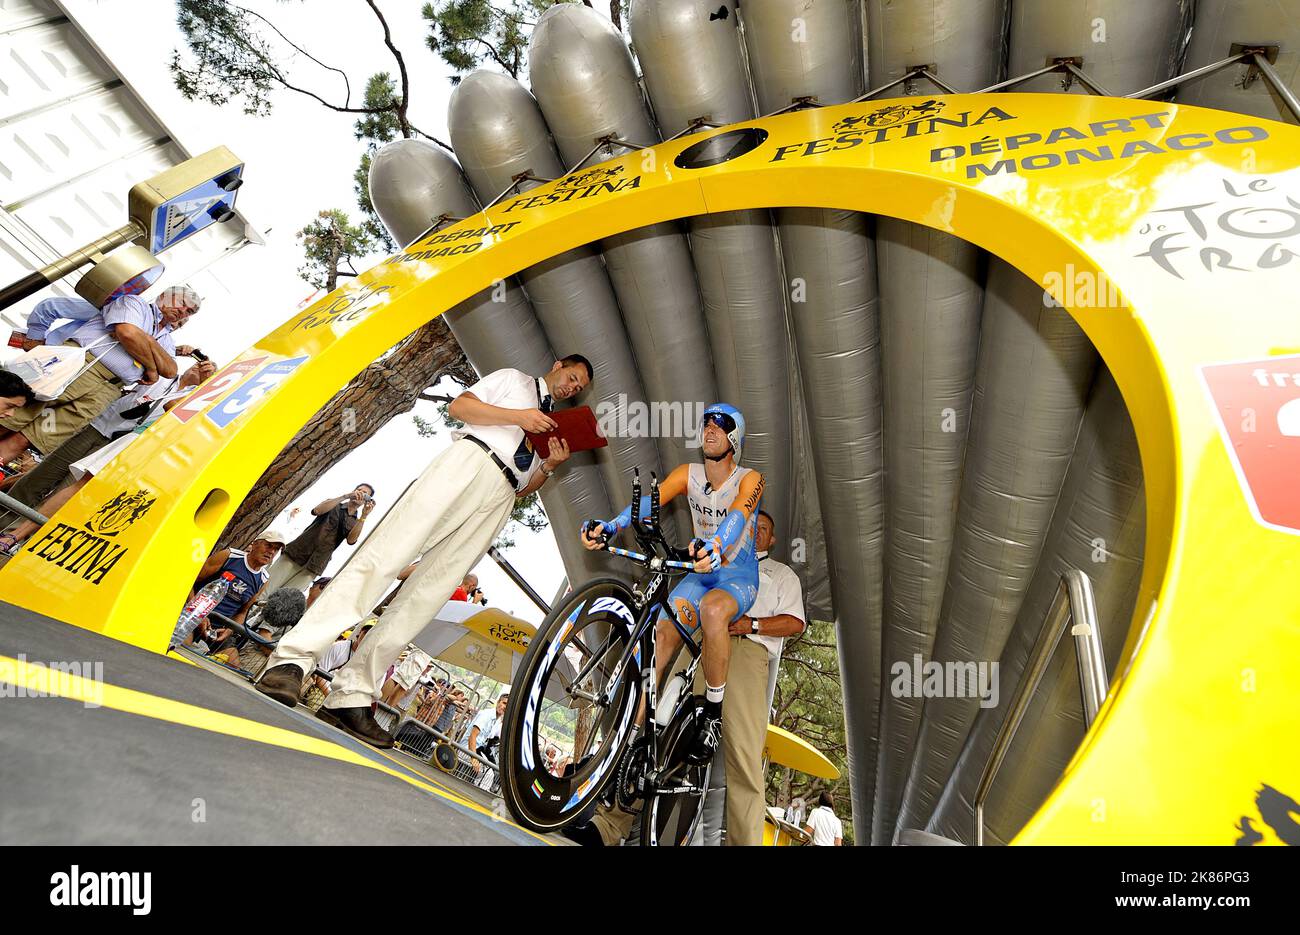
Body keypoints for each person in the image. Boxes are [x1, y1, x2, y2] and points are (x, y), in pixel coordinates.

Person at [255, 355, 593, 748]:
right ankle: (294, 658)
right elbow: (460, 407)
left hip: (501, 494)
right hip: (470, 462)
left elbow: (524, 486)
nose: (571, 387)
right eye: (572, 376)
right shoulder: (514, 380)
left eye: (578, 387)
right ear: (556, 365)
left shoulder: (552, 424)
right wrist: (520, 416)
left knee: (428, 593)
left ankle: (354, 692)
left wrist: (549, 464)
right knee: (387, 555)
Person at [582, 402, 764, 766]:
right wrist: (612, 525)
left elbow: (740, 512)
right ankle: (628, 740)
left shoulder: (750, 478)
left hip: (736, 576)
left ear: (735, 438)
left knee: (713, 611)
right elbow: (650, 502)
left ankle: (712, 713)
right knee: (661, 637)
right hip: (701, 572)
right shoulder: (688, 473)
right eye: (706, 422)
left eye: (721, 424)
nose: (710, 428)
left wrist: (715, 545)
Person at [697, 508, 806, 846]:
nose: (757, 531)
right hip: (703, 645)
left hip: (747, 652)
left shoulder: (782, 573)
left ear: (772, 540)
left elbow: (795, 622)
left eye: (764, 529)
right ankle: (611, 826)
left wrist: (752, 625)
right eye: (753, 526)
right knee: (664, 731)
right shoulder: (720, 562)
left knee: (743, 759)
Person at [0, 359, 215, 529]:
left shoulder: (194, 397)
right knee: (40, 476)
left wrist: (207, 383)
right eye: (197, 364)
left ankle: (12, 537)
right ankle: (2, 516)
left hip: (120, 444)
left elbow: (175, 411)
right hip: (98, 426)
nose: (198, 368)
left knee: (64, 492)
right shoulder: (159, 375)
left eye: (205, 368)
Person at [0, 285, 200, 461]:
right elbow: (128, 333)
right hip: (79, 368)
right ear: (165, 295)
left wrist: (145, 339)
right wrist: (151, 366)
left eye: (189, 311)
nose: (183, 311)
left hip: (109, 390)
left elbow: (170, 370)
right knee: (12, 419)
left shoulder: (166, 339)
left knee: (33, 437)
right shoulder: (135, 304)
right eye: (182, 303)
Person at [182, 531, 288, 666]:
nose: (271, 552)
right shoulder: (230, 556)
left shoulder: (263, 579)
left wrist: (230, 630)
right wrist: (198, 614)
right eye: (268, 545)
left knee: (233, 664)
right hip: (193, 612)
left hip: (219, 627)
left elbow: (243, 612)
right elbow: (189, 581)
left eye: (276, 549)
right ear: (255, 544)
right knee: (182, 647)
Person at [264, 484, 377, 595]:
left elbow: (351, 541)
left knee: (284, 600)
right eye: (359, 490)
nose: (360, 493)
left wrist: (364, 516)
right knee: (265, 588)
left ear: (367, 500)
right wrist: (345, 496)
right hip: (297, 552)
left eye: (365, 493)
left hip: (316, 564)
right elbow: (317, 510)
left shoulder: (356, 521)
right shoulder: (334, 504)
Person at [465, 692, 509, 775]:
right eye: (504, 703)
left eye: (508, 706)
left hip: (476, 750)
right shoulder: (487, 715)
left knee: (489, 772)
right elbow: (473, 736)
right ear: (498, 702)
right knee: (488, 775)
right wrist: (474, 758)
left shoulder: (495, 719)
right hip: (467, 750)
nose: (505, 707)